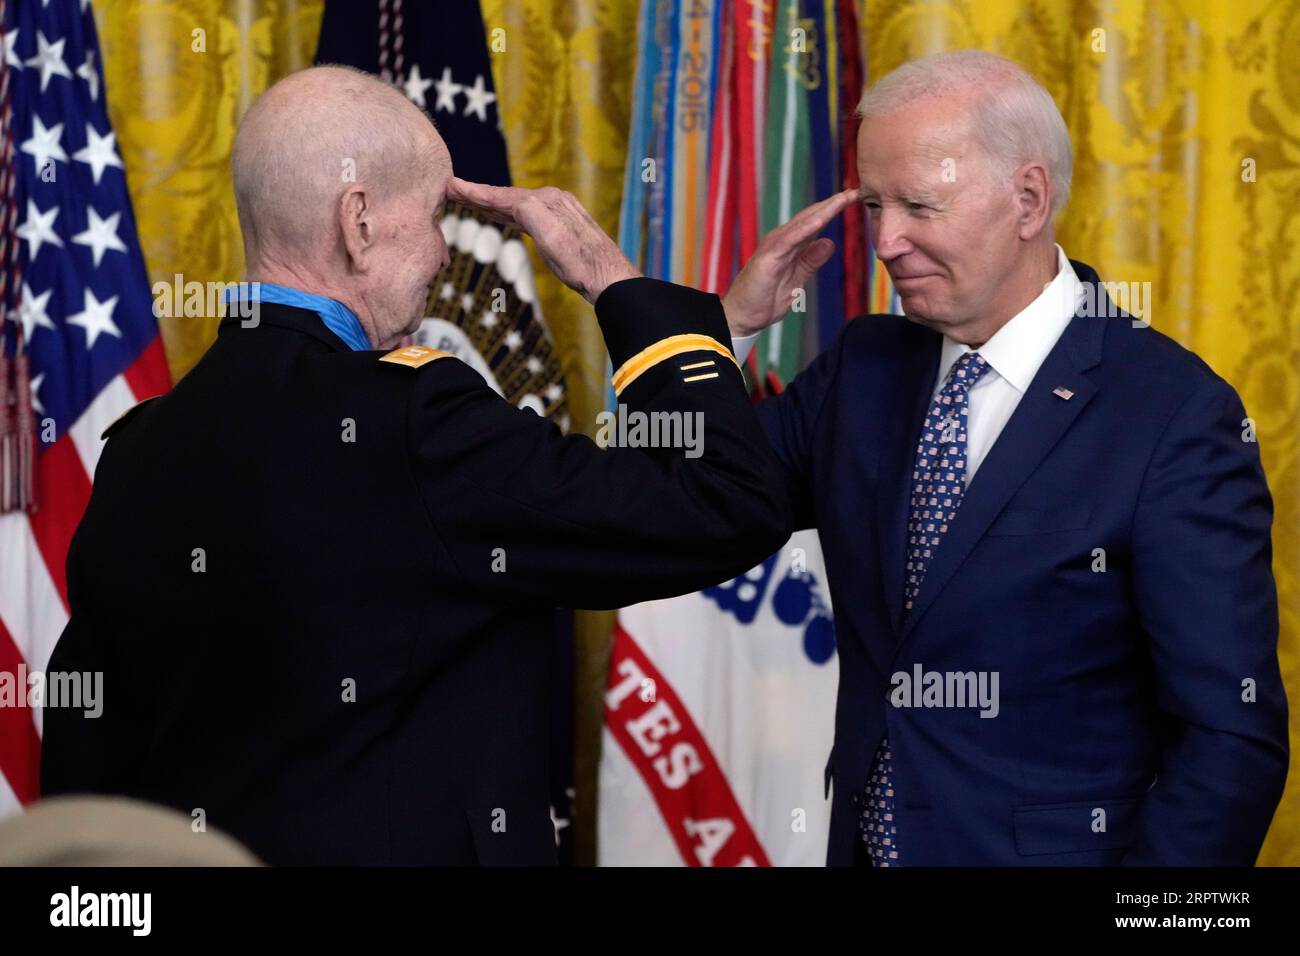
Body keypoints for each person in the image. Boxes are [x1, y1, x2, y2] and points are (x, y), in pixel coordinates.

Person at [39, 65, 790, 865]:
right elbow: (726, 500)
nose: (441, 254)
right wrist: (613, 280)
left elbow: (85, 777)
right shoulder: (416, 422)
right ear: (357, 221)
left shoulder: (135, 449)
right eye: (435, 216)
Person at [724, 50, 1288, 865]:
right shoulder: (865, 367)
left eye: (920, 204)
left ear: (1028, 199)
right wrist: (727, 331)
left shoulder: (1175, 415)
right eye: (875, 205)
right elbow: (690, 499)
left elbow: (1229, 743)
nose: (885, 242)